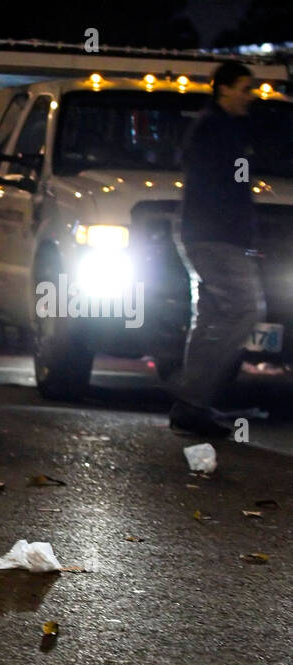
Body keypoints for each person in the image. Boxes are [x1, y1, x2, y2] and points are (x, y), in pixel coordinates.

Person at [169, 62, 264, 438]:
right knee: (245, 309)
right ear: (223, 89)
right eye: (244, 88)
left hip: (209, 234)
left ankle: (192, 405)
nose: (250, 95)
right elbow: (225, 186)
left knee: (209, 317)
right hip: (215, 236)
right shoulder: (216, 129)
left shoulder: (221, 128)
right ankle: (194, 400)